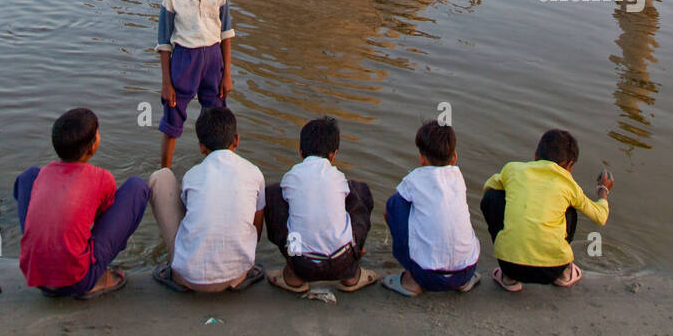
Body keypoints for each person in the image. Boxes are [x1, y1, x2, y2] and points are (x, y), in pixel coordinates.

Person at [14, 107, 149, 300]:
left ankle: (45, 259)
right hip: (77, 280)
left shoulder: (43, 174)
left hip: (35, 275)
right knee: (137, 187)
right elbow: (103, 221)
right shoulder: (102, 178)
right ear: (93, 146)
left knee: (27, 176)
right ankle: (98, 279)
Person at [480, 128, 613, 291]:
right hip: (552, 270)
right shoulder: (569, 185)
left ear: (536, 155)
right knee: (570, 207)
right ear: (570, 166)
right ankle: (565, 273)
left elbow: (488, 190)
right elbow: (600, 217)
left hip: (510, 265)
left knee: (493, 197)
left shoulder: (512, 169)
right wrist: (603, 191)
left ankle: (509, 278)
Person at [149, 107, 265, 292]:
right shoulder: (254, 172)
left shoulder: (192, 175)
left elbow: (191, 218)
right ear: (236, 139)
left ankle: (178, 267)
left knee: (161, 177)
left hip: (188, 278)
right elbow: (256, 230)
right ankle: (236, 264)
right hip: (237, 275)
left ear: (201, 146)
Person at [265, 115, 377, 293]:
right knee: (359, 191)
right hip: (343, 261)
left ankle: (292, 276)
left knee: (273, 194)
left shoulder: (291, 176)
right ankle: (352, 275)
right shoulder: (338, 177)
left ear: (300, 151)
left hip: (300, 262)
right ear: (334, 155)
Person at [156, 0, 234, 169]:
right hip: (184, 60)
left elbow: (226, 34)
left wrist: (226, 73)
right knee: (173, 116)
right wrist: (166, 82)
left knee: (216, 116)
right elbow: (163, 44)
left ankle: (215, 168)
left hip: (213, 60)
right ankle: (165, 170)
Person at [382, 121, 481, 296]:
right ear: (454, 157)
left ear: (421, 158)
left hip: (425, 276)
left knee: (394, 205)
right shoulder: (458, 178)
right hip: (467, 270)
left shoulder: (414, 179)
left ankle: (411, 280)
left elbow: (390, 210)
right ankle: (461, 282)